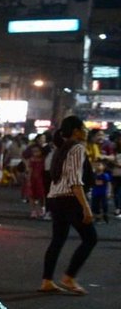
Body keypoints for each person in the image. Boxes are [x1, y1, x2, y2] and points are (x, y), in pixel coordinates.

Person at [39, 116, 97, 295]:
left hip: (55, 198)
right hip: (70, 199)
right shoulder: (77, 148)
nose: (86, 131)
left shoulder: (60, 148)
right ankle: (69, 277)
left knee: (58, 240)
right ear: (76, 131)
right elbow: (74, 181)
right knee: (90, 238)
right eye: (83, 128)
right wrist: (86, 207)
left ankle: (47, 281)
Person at [22, 135, 47, 219]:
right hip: (33, 179)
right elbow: (30, 170)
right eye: (34, 151)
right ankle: (33, 211)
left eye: (37, 151)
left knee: (41, 195)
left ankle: (42, 209)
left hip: (40, 179)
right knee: (31, 196)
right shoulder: (32, 160)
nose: (35, 153)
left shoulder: (43, 160)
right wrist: (28, 180)